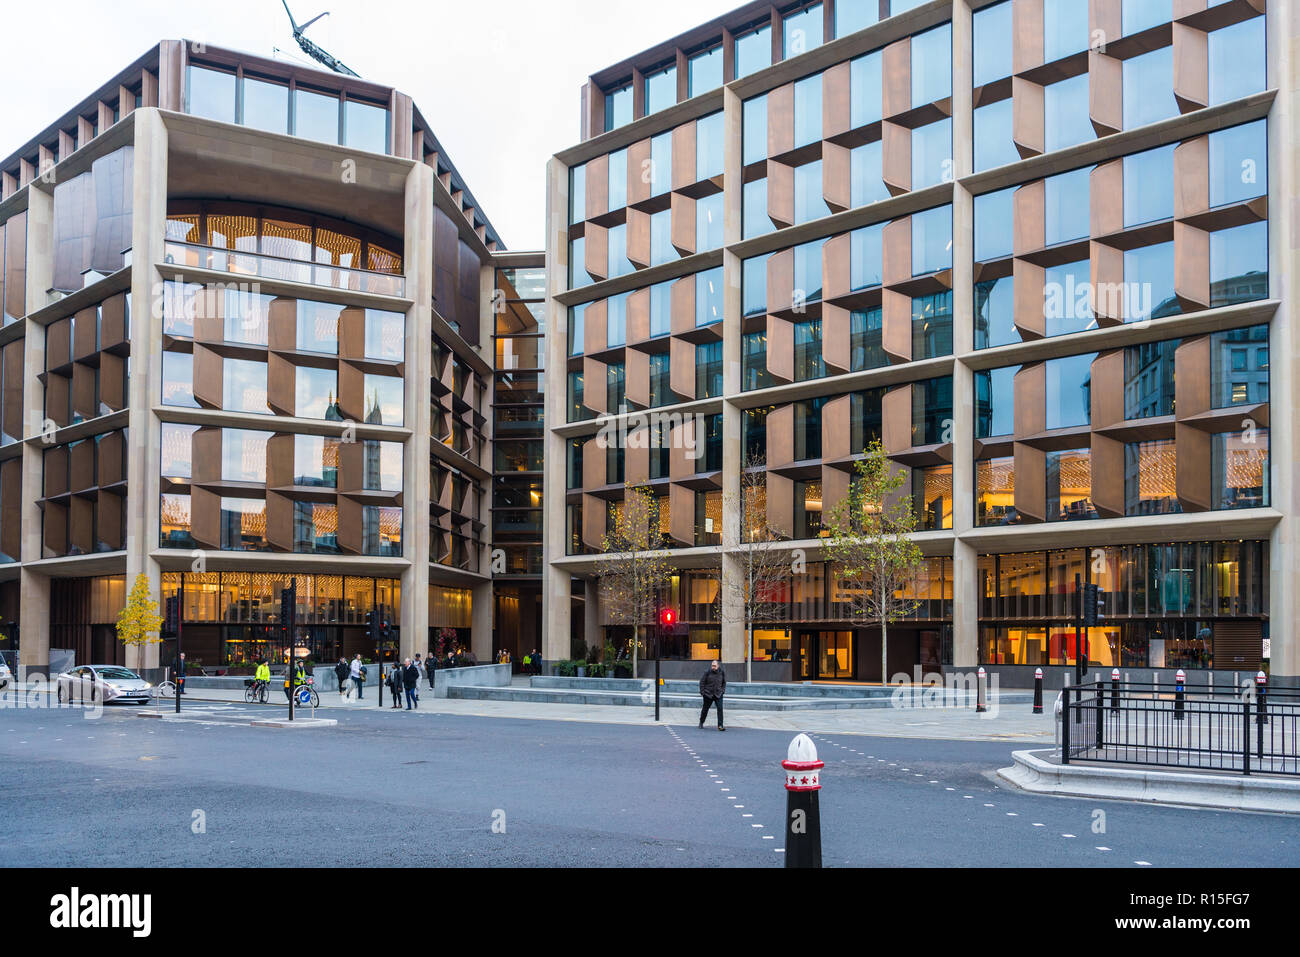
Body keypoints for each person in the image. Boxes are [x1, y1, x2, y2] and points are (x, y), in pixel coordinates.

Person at [699, 659, 726, 731]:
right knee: (705, 709)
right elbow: (702, 682)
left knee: (720, 709)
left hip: (718, 694)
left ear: (718, 666)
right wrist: (702, 692)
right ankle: (701, 722)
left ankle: (720, 725)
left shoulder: (722, 672)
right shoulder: (707, 672)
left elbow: (724, 683)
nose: (713, 667)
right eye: (712, 666)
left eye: (714, 666)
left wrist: (723, 691)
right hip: (708, 694)